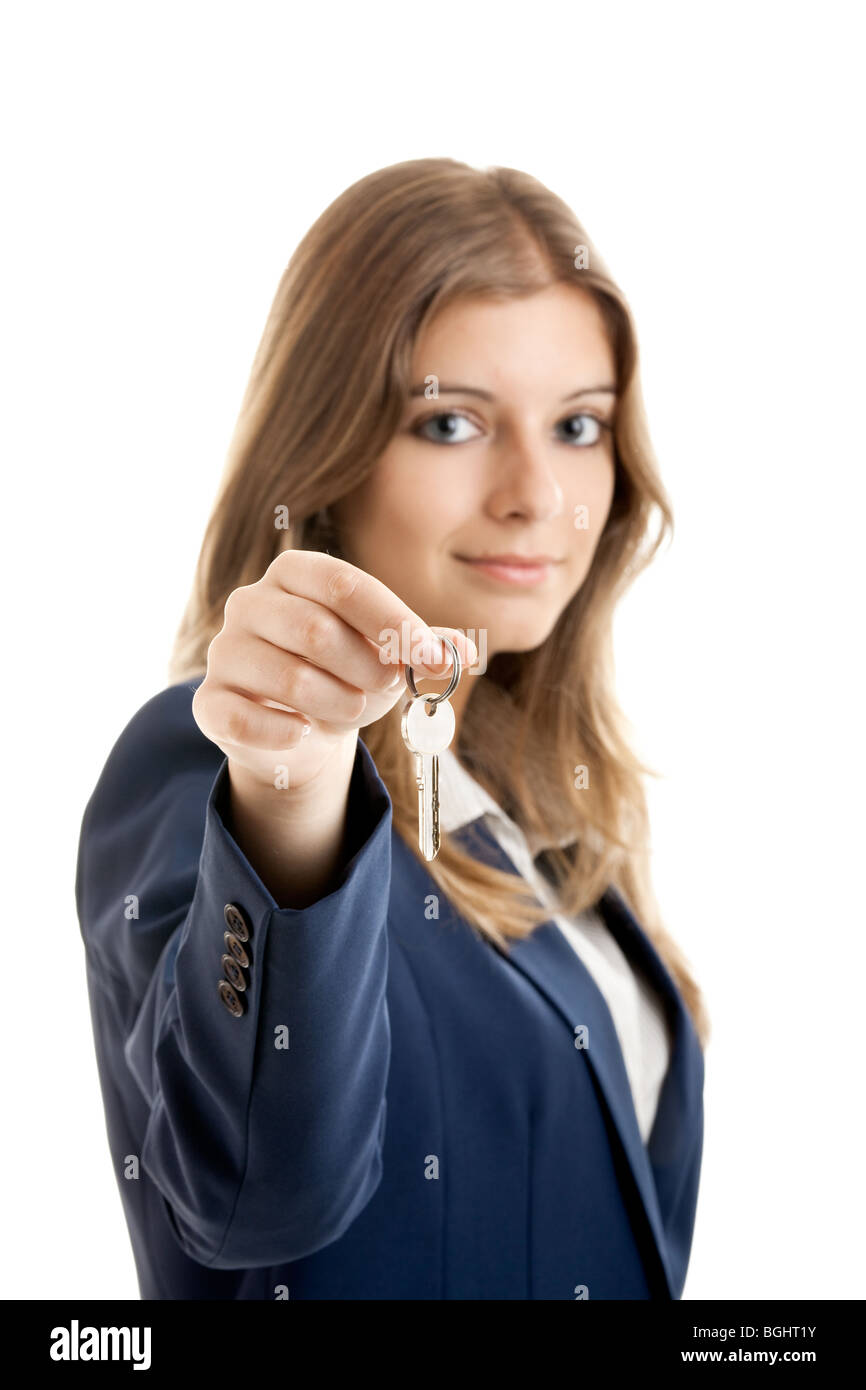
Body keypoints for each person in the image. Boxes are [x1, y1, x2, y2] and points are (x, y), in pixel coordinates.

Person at [76, 157, 708, 1300]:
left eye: (576, 425)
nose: (535, 493)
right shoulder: (205, 765)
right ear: (328, 451)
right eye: (451, 421)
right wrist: (287, 791)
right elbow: (258, 1193)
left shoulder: (540, 809)